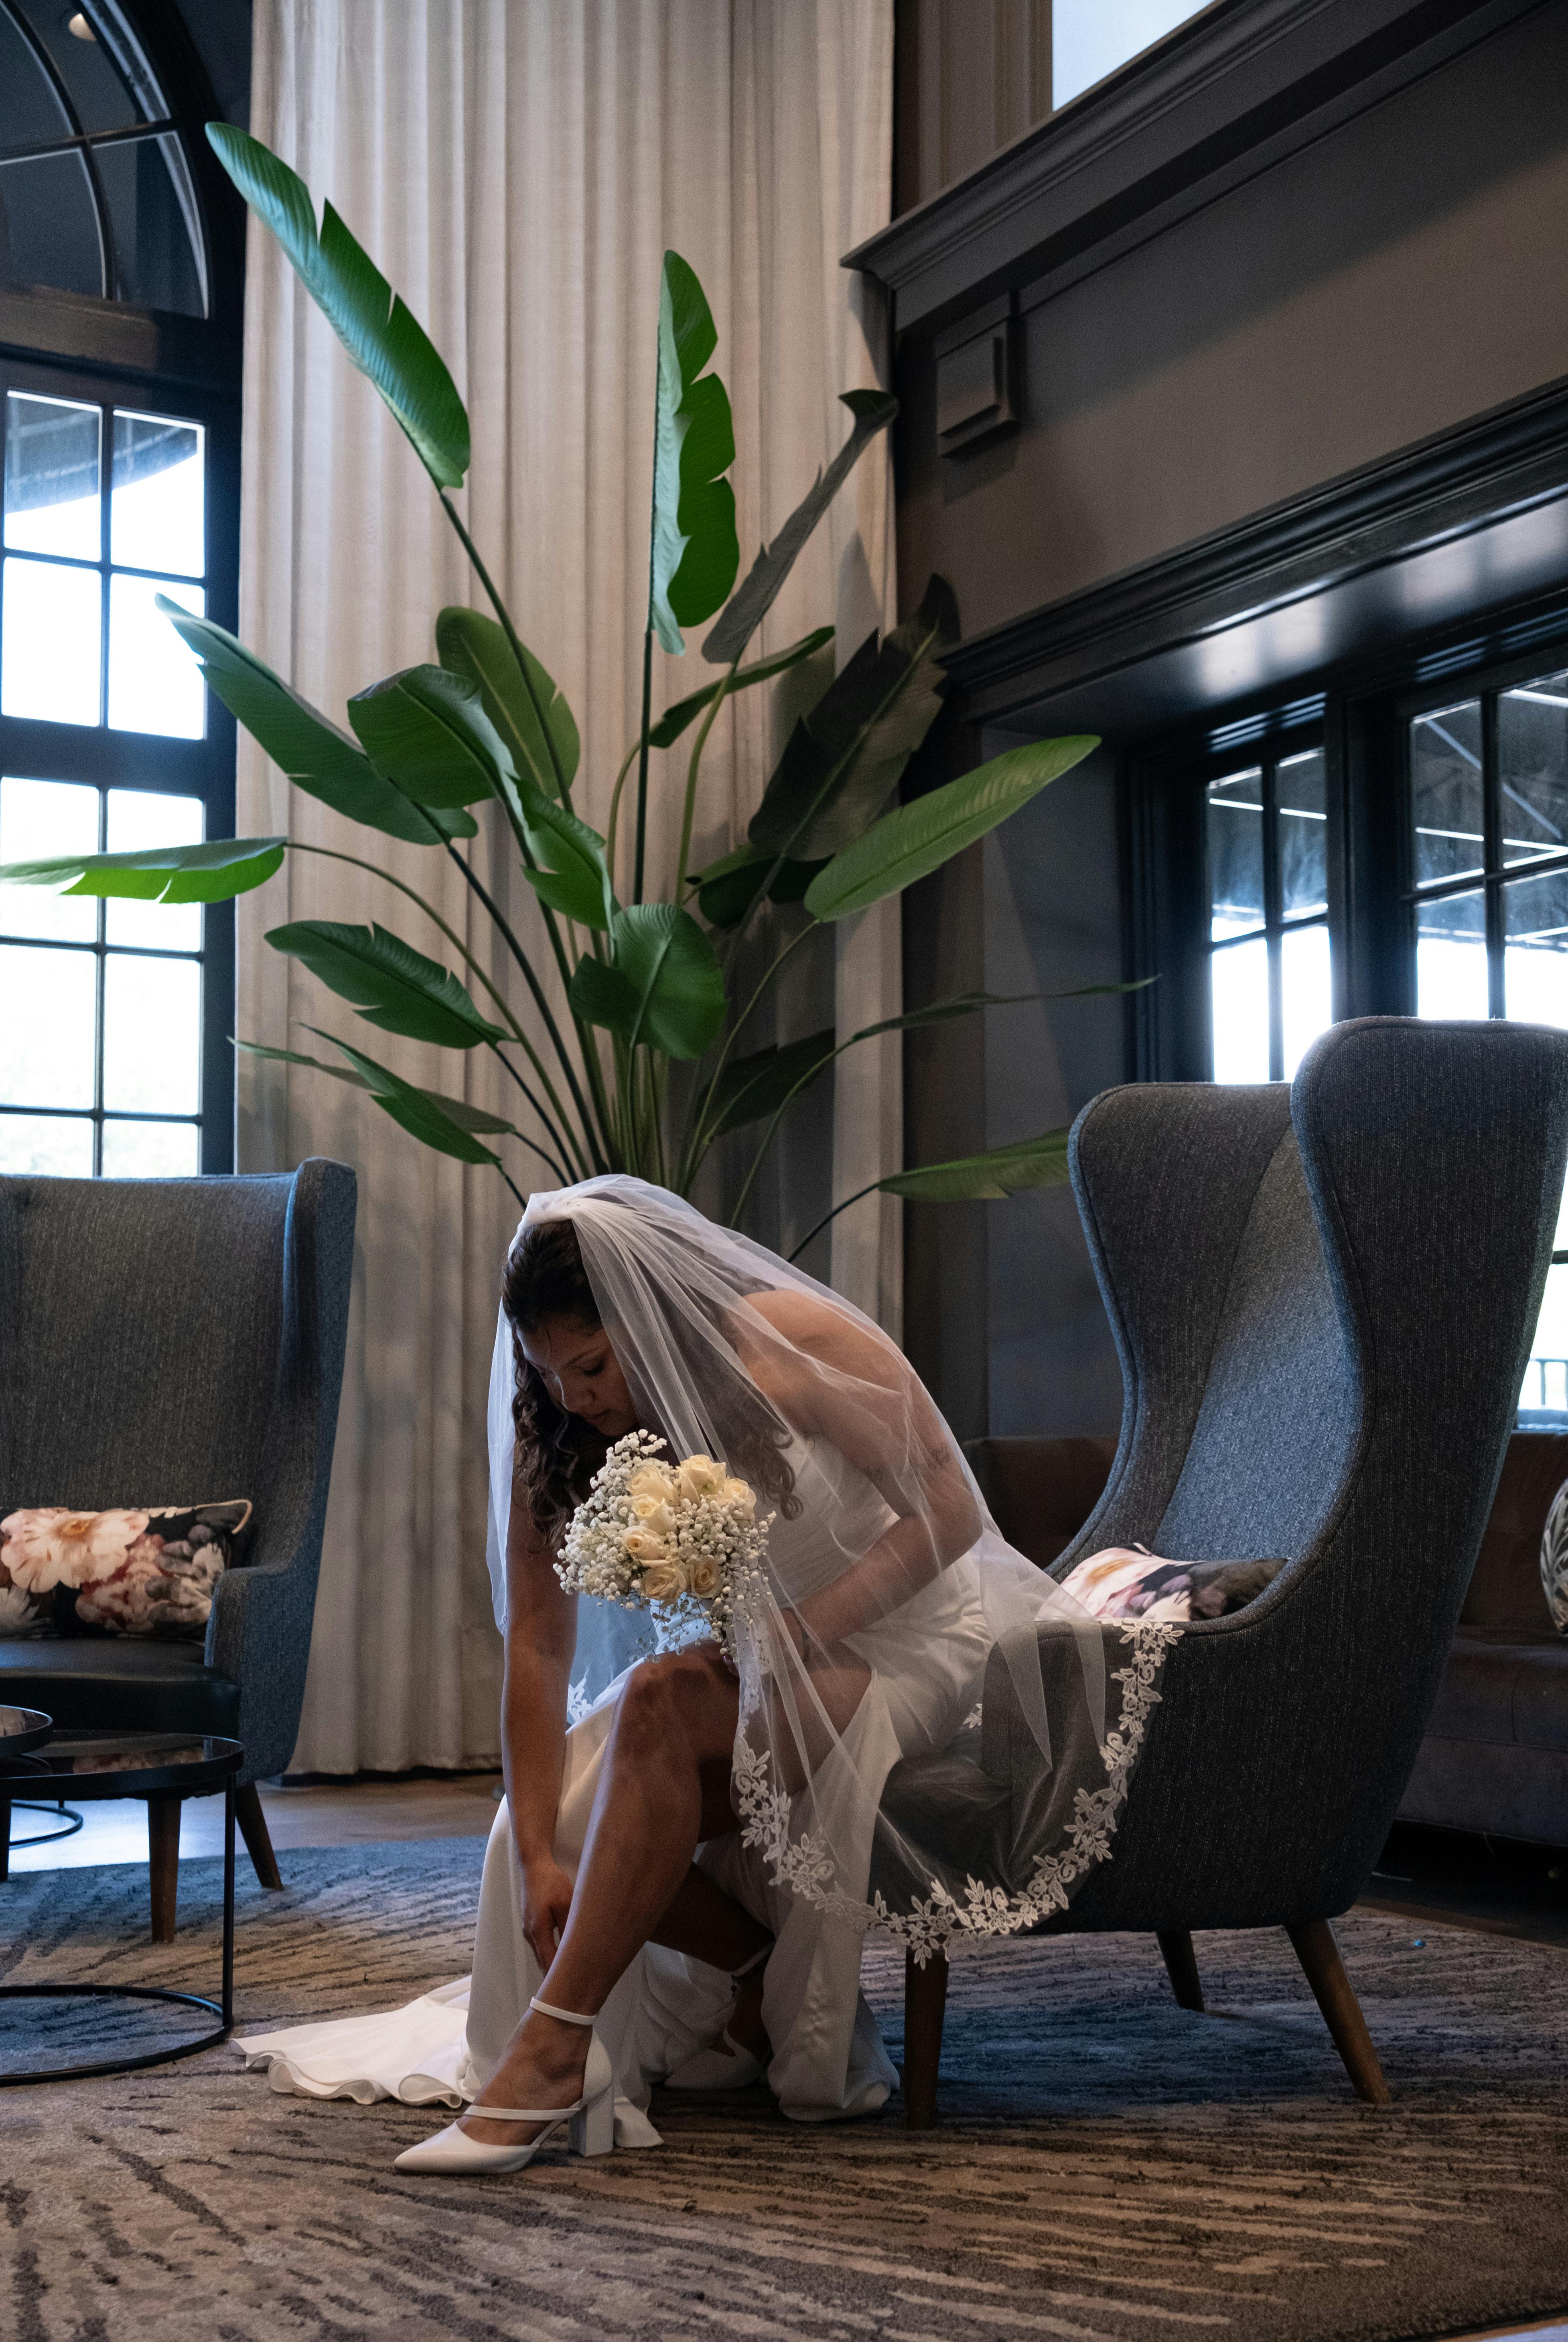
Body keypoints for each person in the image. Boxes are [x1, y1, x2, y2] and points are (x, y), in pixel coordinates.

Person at [239, 1177, 1174, 2169]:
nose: (575, 1397)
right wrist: (532, 1868)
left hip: (913, 1635)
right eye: (549, 1371)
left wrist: (804, 1627)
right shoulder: (553, 1425)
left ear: (641, 1314)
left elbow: (946, 1511)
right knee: (539, 1820)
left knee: (654, 1699)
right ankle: (741, 1965)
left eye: (591, 1365)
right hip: (763, 1652)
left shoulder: (787, 1344)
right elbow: (538, 1643)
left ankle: (553, 2055)